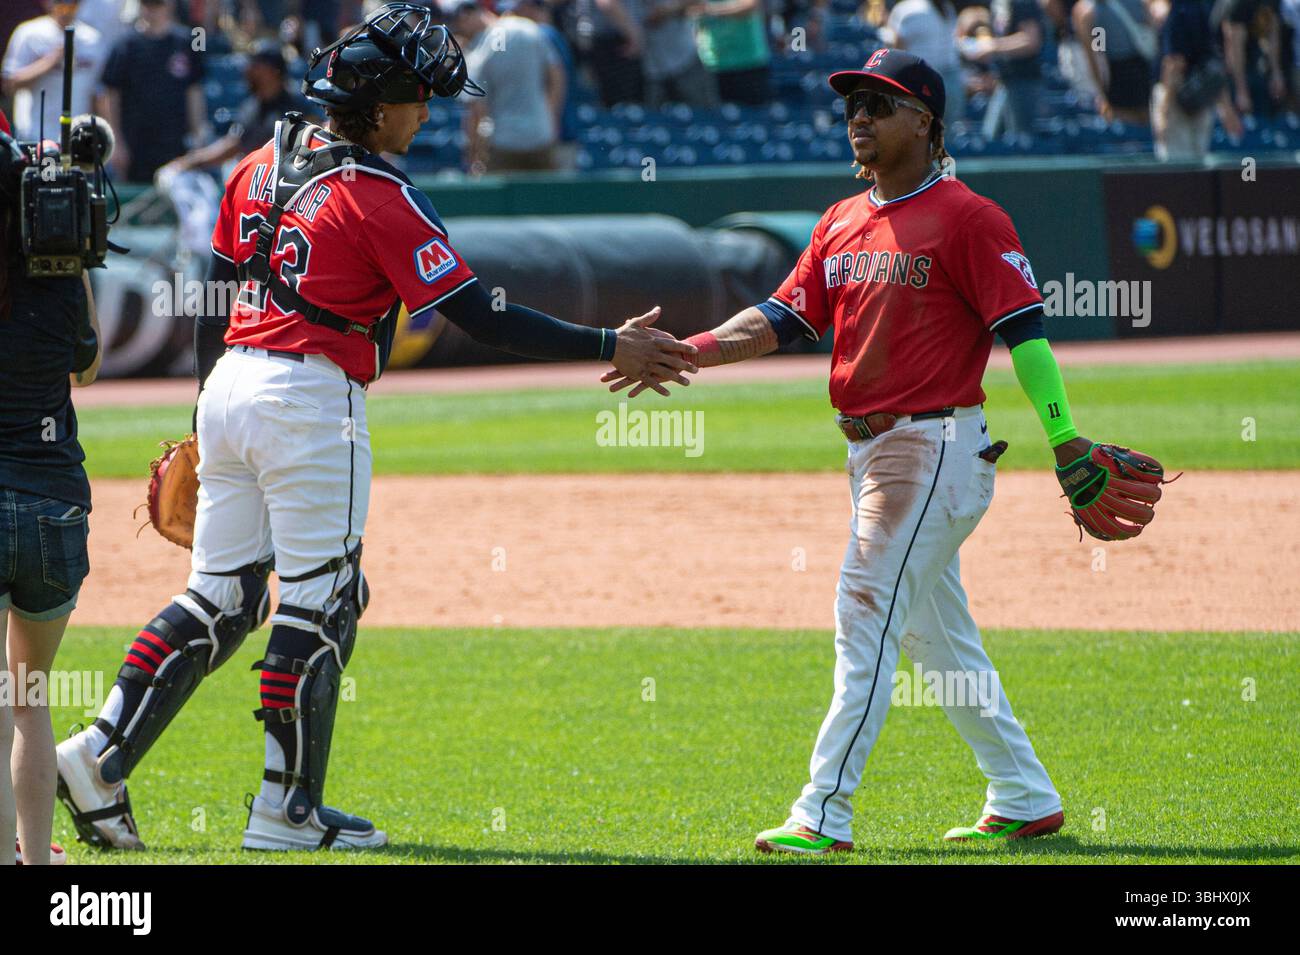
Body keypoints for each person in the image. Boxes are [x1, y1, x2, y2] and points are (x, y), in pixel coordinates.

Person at [54, 1, 695, 852]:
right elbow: (479, 314)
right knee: (323, 603)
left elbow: (216, 288)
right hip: (312, 402)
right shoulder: (379, 194)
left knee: (222, 596)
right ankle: (285, 810)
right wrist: (612, 340)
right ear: (383, 106)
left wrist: (205, 422)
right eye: (419, 100)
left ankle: (96, 755)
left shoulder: (256, 165)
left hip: (231, 386)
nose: (427, 114)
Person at [607, 48, 1138, 853]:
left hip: (932, 446)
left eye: (879, 104)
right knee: (932, 633)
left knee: (863, 609)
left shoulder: (968, 216)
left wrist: (1065, 437)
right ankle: (1024, 793)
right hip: (872, 455)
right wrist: (688, 350)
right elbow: (781, 316)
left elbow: (1025, 333)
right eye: (852, 103)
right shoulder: (842, 220)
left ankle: (823, 812)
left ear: (924, 121)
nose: (859, 116)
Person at [0, 105, 103, 865]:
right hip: (52, 499)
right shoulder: (57, 272)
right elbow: (88, 365)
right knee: (28, 698)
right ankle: (35, 862)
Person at [154, 40, 321, 180]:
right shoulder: (251, 107)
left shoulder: (300, 105)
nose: (247, 70)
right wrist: (189, 162)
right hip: (260, 186)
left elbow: (317, 143)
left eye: (255, 65)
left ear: (272, 70)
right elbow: (232, 145)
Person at [97, 0, 207, 183]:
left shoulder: (186, 42)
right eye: (147, 4)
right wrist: (117, 143)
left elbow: (194, 91)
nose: (152, 10)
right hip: (135, 142)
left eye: (157, 4)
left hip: (175, 141)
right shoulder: (125, 45)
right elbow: (110, 94)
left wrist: (198, 134)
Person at [460, 0, 566, 173]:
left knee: (502, 200)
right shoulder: (533, 31)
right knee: (544, 199)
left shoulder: (486, 41)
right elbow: (557, 74)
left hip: (503, 140)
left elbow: (475, 106)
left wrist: (473, 154)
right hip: (540, 134)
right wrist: (551, 118)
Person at [1, 1, 109, 143]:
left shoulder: (92, 38)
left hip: (79, 136)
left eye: (72, 3)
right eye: (60, 3)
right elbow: (10, 84)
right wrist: (49, 62)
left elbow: (99, 92)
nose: (66, 9)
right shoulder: (30, 33)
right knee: (48, 165)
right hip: (37, 134)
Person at [1152, 0, 1241, 159]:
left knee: (1176, 168)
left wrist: (1164, 109)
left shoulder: (1180, 9)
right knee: (1198, 166)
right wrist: (1226, 106)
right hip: (1202, 95)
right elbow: (1216, 63)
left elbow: (1175, 61)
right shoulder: (1206, 7)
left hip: (1177, 96)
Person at [964, 0, 1045, 139]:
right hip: (1004, 82)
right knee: (990, 138)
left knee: (1020, 141)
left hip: (1023, 82)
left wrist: (993, 47)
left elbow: (1031, 41)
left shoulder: (1022, 3)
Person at [1074, 0, 1156, 124]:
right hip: (1130, 70)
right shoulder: (1092, 12)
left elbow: (1098, 55)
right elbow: (1099, 52)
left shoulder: (1089, 11)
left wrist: (1102, 92)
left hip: (1131, 70)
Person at [883, 0, 966, 122]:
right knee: (921, 126)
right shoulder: (908, 9)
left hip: (948, 76)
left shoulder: (947, 7)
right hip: (920, 78)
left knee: (944, 130)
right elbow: (896, 50)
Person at [641, 0, 718, 109]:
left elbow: (698, 4)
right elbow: (648, 18)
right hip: (650, 66)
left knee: (705, 116)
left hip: (686, 59)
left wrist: (670, 9)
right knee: (652, 120)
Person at [695, 0, 771, 105]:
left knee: (755, 115)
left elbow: (749, 6)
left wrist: (712, 11)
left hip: (748, 63)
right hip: (713, 64)